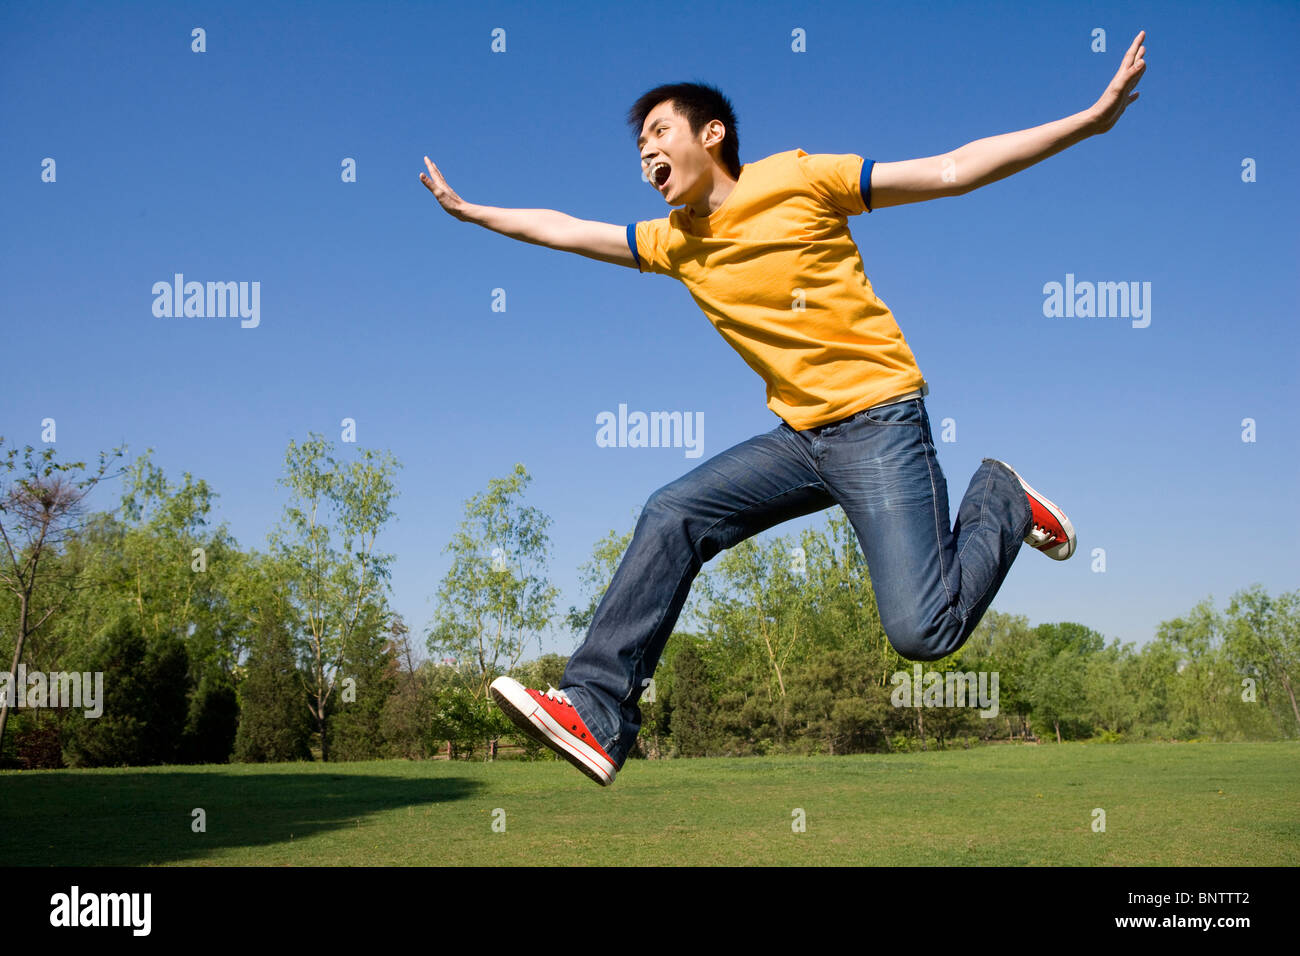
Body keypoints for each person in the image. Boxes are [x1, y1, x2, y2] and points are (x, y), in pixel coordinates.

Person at [420, 31, 1147, 786]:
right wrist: (475, 213)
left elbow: (950, 169)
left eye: (659, 133)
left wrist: (1086, 121)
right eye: (638, 148)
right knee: (674, 512)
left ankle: (999, 495)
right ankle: (598, 709)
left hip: (879, 422)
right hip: (800, 439)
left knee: (923, 633)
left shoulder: (799, 179)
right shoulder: (674, 242)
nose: (646, 155)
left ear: (713, 134)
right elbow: (568, 228)